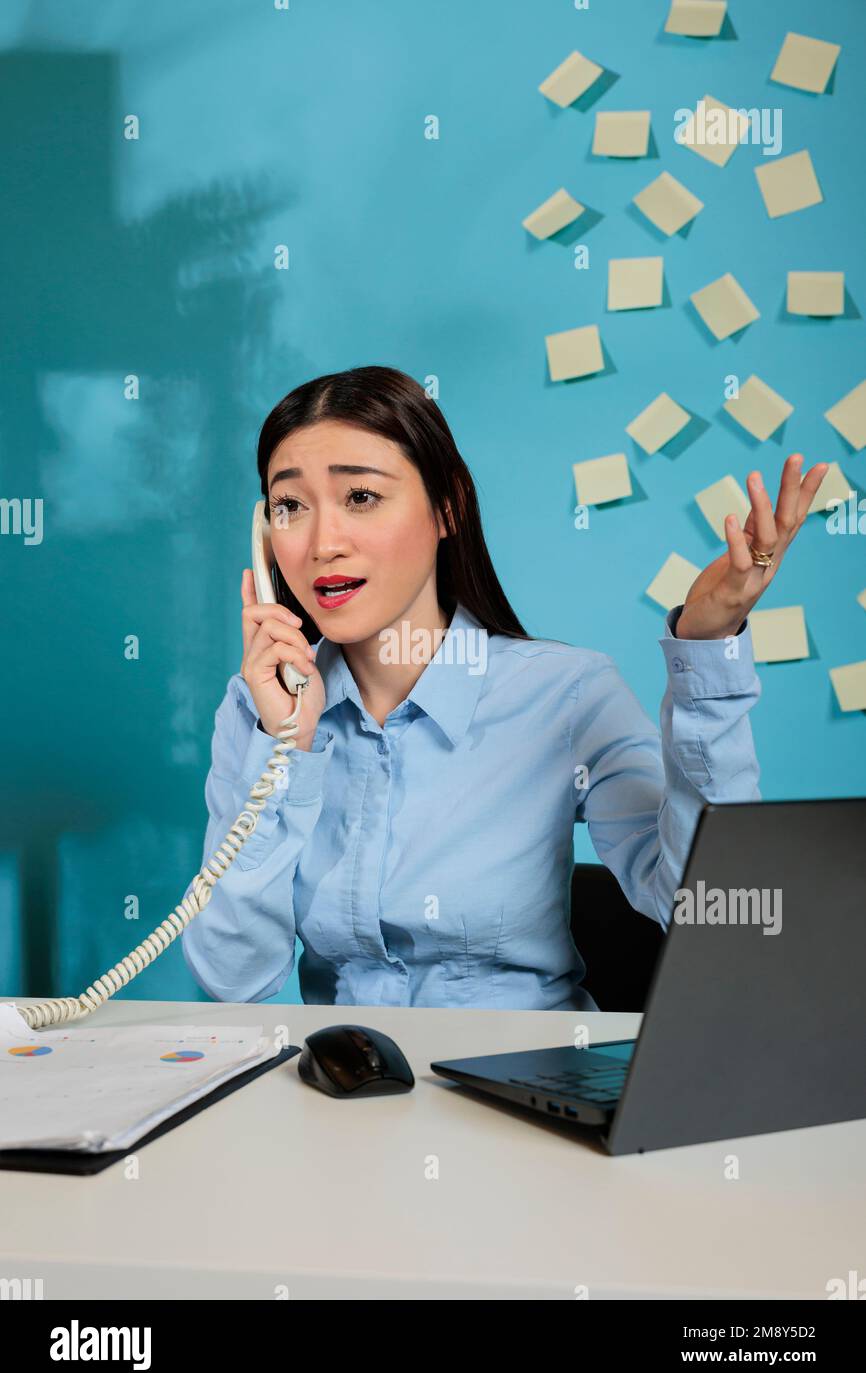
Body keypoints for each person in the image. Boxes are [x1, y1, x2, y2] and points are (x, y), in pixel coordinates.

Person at [181, 365, 828, 1010]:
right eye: (290, 506)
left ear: (447, 507)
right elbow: (233, 978)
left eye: (361, 498)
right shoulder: (260, 712)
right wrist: (284, 748)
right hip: (348, 1094)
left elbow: (706, 909)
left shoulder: (566, 694)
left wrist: (706, 650)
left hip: (519, 1088)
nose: (323, 544)